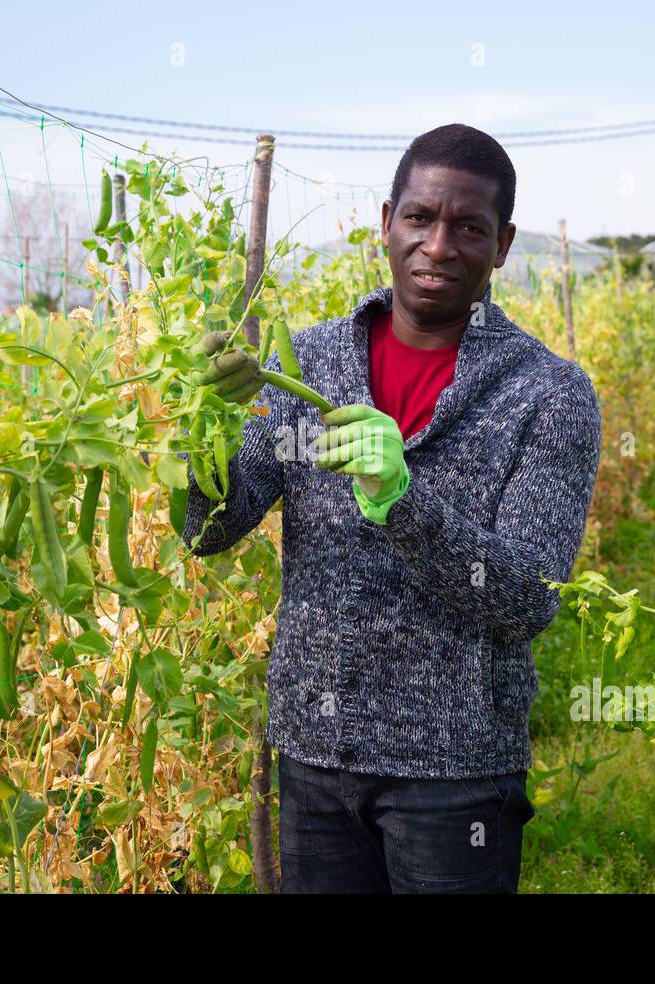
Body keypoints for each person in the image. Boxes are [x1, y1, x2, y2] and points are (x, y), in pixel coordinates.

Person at [182, 123, 602, 893]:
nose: (439, 246)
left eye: (468, 227)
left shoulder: (547, 393)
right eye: (420, 219)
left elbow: (528, 599)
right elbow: (208, 528)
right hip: (316, 754)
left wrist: (403, 502)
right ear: (386, 223)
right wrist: (207, 423)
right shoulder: (306, 364)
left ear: (502, 245)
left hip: (457, 773)